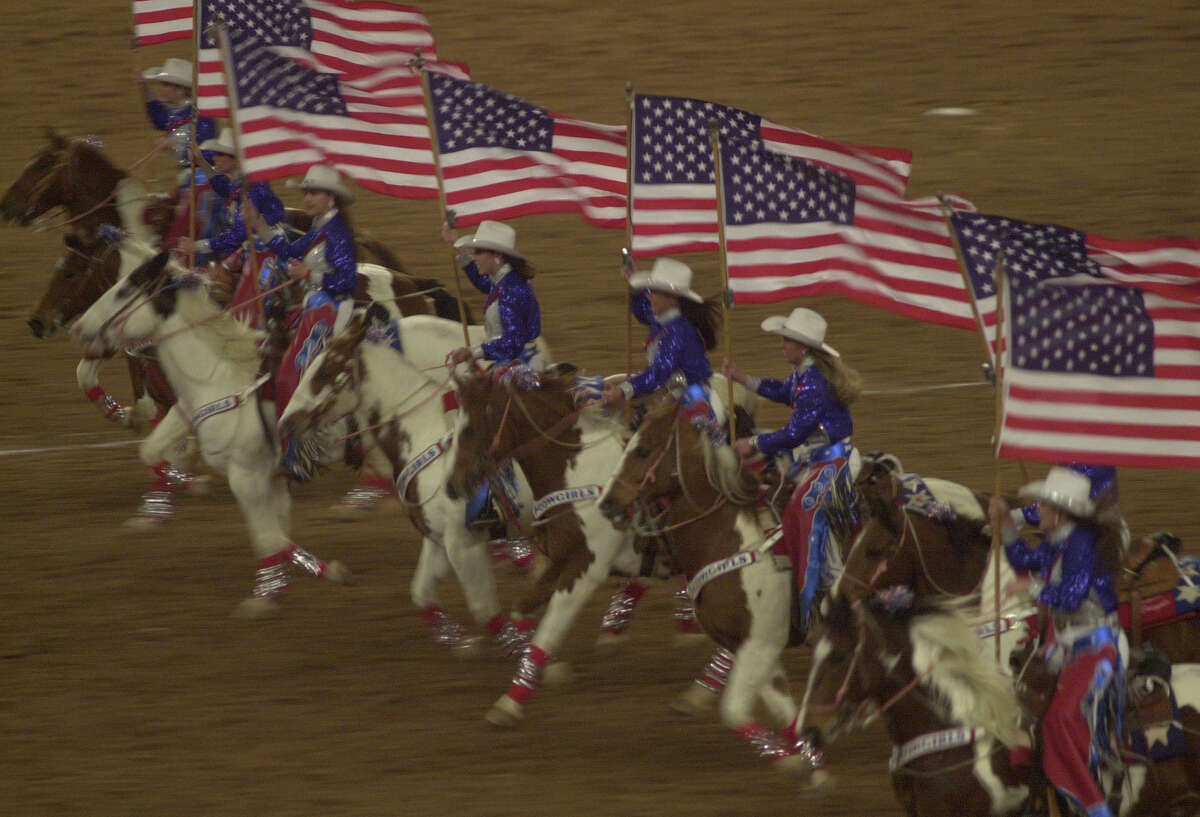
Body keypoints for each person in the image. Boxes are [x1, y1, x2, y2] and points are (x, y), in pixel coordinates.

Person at [989, 467, 1123, 817]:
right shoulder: (1061, 540)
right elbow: (1023, 558)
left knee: (1060, 719)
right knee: (1023, 696)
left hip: (1095, 645)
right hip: (1066, 645)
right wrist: (1004, 521)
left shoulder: (1080, 543)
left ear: (1059, 512)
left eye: (1043, 505)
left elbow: (1072, 597)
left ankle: (1094, 807)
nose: (1039, 511)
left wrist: (1030, 588)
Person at [724, 307, 861, 627]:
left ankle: (822, 590)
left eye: (787, 340)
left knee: (805, 505)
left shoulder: (813, 381)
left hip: (834, 459)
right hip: (818, 457)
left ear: (803, 347)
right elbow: (783, 391)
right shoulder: (805, 374)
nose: (781, 344)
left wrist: (753, 445)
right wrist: (743, 379)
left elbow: (795, 433)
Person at [243, 164, 357, 425]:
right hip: (313, 303)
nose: (306, 198)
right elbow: (290, 251)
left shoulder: (337, 232)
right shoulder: (322, 227)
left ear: (331, 197)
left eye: (313, 193)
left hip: (329, 307)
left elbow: (346, 280)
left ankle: (301, 431)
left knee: (291, 373)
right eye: (305, 193)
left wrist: (309, 275)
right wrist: (258, 223)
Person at [177, 130, 285, 308]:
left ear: (236, 160)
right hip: (247, 245)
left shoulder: (253, 187)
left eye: (220, 155)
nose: (215, 159)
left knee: (251, 291)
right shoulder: (240, 181)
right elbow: (224, 187)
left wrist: (196, 246)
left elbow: (238, 234)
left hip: (266, 246)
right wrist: (202, 162)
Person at [600, 258, 721, 413]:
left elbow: (658, 372)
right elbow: (643, 310)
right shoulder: (664, 319)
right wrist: (635, 287)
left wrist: (622, 391)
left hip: (694, 396)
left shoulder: (678, 331)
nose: (649, 296)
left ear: (672, 299)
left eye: (654, 292)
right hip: (671, 390)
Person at [138, 57, 219, 256]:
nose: (161, 89)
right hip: (187, 179)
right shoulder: (178, 113)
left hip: (202, 178)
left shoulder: (201, 116)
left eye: (166, 85)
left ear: (181, 89)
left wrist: (176, 146)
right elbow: (159, 118)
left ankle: (187, 252)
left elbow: (207, 150)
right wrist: (144, 89)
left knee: (188, 216)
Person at [441, 220, 543, 374]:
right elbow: (483, 283)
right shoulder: (504, 280)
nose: (474, 257)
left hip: (519, 366)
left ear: (497, 255)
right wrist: (458, 246)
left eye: (478, 252)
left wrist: (472, 352)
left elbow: (513, 342)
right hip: (511, 361)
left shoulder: (513, 289)